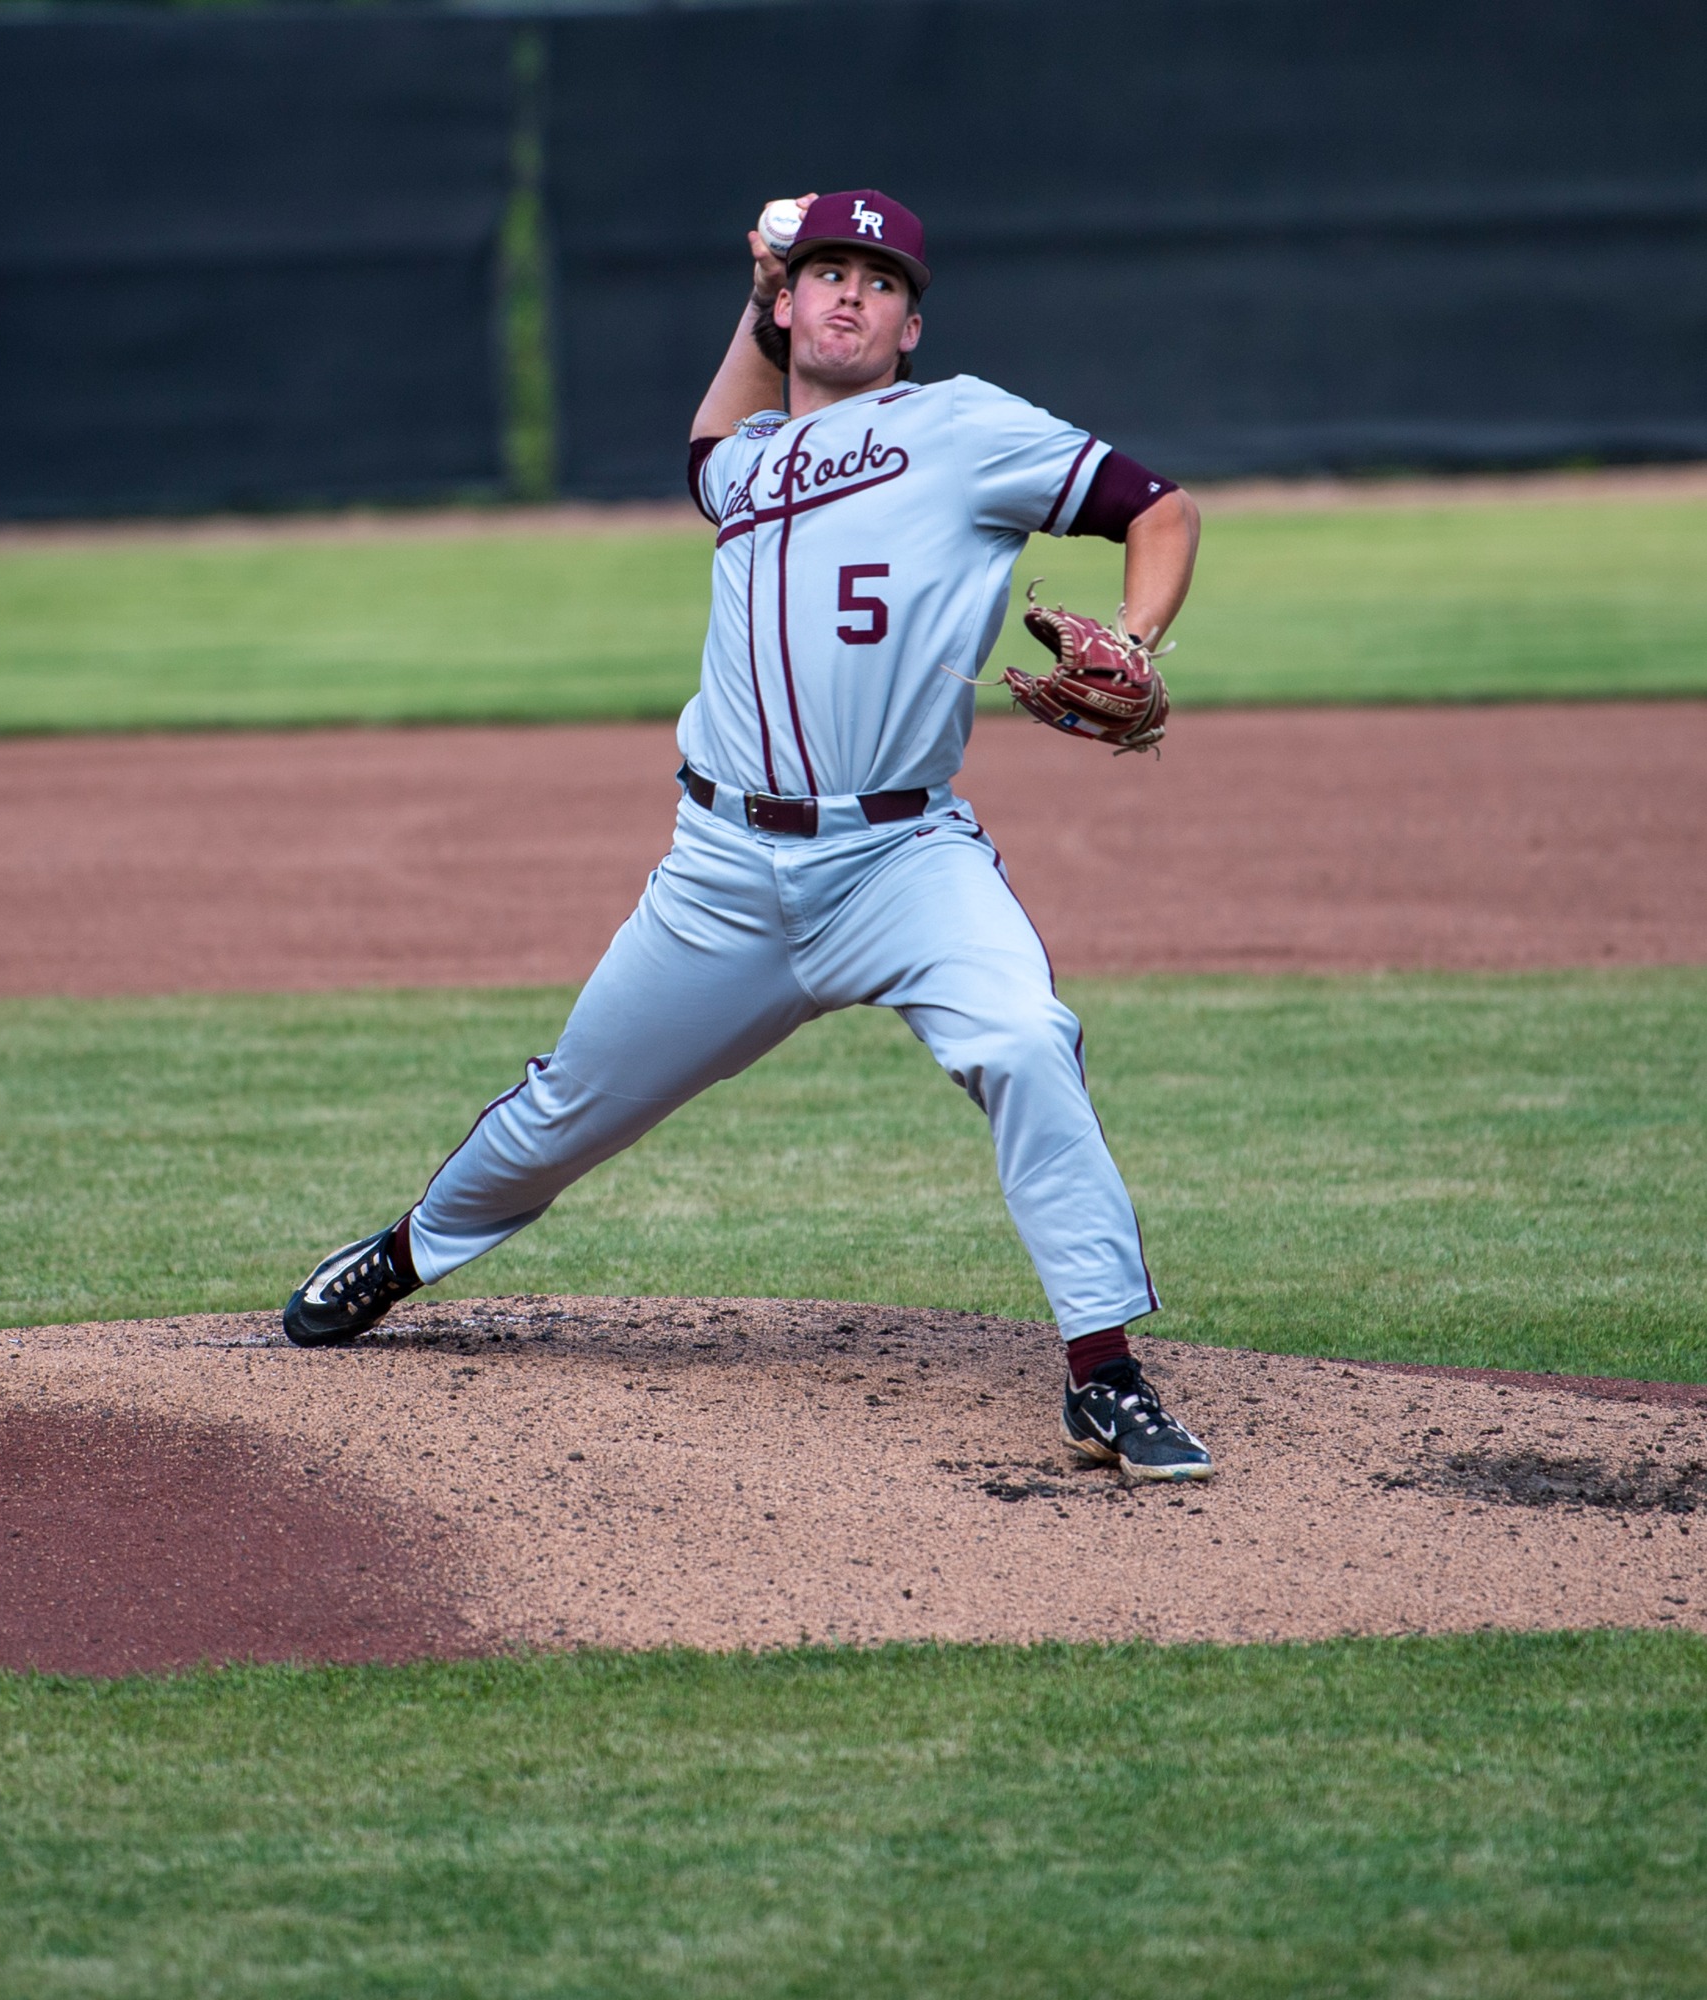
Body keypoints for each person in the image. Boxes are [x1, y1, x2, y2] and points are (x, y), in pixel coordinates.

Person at [282, 189, 1211, 1483]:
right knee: (567, 1112)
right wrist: (753, 285)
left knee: (1021, 1040)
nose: (848, 294)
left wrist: (1138, 633)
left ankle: (1102, 1373)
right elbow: (706, 441)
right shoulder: (751, 465)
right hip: (719, 876)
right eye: (823, 274)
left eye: (876, 280)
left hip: (901, 862)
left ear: (911, 321)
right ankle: (406, 1252)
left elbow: (1159, 507)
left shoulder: (966, 424)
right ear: (784, 305)